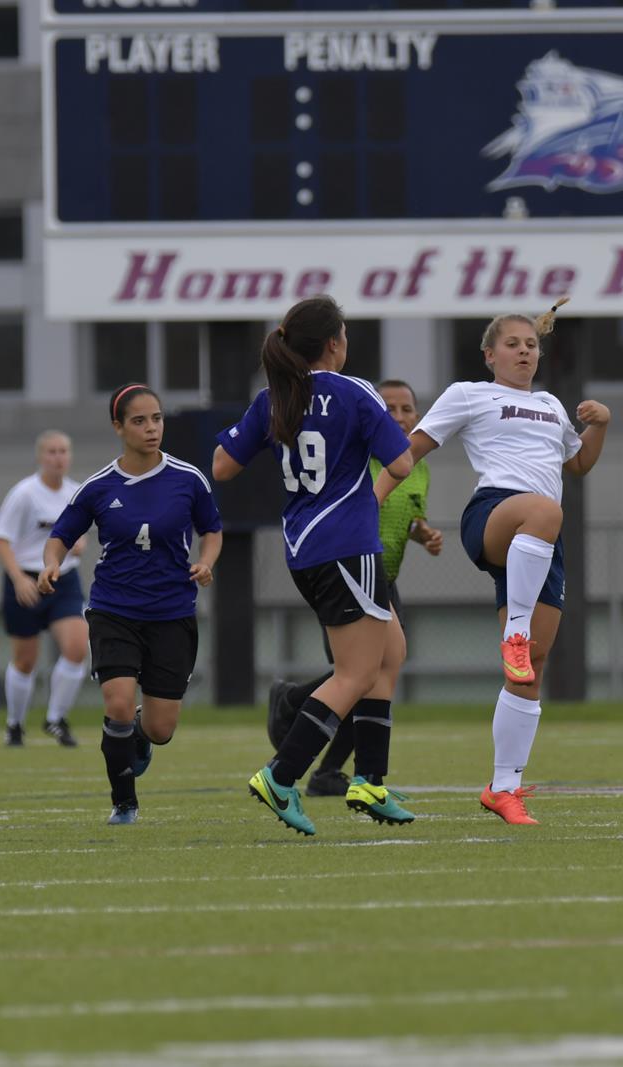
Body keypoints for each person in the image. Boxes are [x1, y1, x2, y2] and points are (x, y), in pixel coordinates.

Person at [378, 300, 611, 825]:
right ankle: (516, 635)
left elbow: (577, 464)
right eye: (513, 344)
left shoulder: (552, 405)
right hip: (494, 516)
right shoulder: (469, 395)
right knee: (545, 511)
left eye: (531, 345)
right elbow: (408, 452)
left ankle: (504, 787)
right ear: (490, 355)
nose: (524, 351)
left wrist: (600, 426)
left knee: (531, 673)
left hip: (540, 539)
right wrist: (368, 501)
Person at [214, 296, 417, 837]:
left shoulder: (275, 396)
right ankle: (282, 776)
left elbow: (222, 465)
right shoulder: (354, 392)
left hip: (304, 547)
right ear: (334, 343)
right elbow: (401, 462)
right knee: (356, 674)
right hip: (349, 545)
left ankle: (370, 778)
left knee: (390, 651)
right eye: (344, 334)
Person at [41, 384, 222, 825]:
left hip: (172, 613)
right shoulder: (99, 486)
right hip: (114, 609)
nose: (151, 428)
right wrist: (50, 566)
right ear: (118, 427)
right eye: (139, 421)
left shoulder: (188, 478)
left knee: (161, 730)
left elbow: (212, 529)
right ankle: (124, 802)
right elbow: (61, 535)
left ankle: (139, 732)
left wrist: (206, 561)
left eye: (156, 418)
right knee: (117, 702)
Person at [265, 379, 444, 798]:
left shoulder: (418, 466)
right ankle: (296, 751)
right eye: (391, 409)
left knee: (375, 671)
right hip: (350, 570)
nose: (399, 417)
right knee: (359, 674)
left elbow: (408, 516)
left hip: (385, 578)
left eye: (407, 409)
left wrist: (424, 534)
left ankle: (345, 773)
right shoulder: (364, 456)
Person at [0, 430, 89, 748]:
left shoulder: (76, 493)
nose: (58, 458)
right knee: (25, 660)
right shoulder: (24, 494)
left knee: (76, 648)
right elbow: (1, 537)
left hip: (63, 579)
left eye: (63, 451)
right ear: (40, 457)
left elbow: (81, 535)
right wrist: (19, 579)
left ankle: (55, 718)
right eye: (51, 452)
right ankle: (15, 724)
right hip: (27, 580)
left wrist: (78, 544)